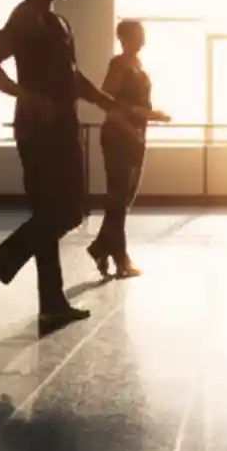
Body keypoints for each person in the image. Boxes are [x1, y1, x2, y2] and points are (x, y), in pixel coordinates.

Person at [0, 0, 165, 340]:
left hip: (61, 127)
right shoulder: (27, 16)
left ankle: (51, 304)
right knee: (66, 212)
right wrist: (25, 95)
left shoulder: (58, 22)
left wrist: (108, 105)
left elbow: (72, 77)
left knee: (49, 214)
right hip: (41, 131)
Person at [87, 20, 170, 279]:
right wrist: (146, 113)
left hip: (135, 135)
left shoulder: (137, 65)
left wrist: (146, 118)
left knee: (124, 198)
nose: (142, 38)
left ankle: (101, 247)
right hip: (118, 135)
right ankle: (120, 258)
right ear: (125, 37)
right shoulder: (120, 64)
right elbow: (107, 100)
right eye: (138, 34)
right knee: (119, 198)